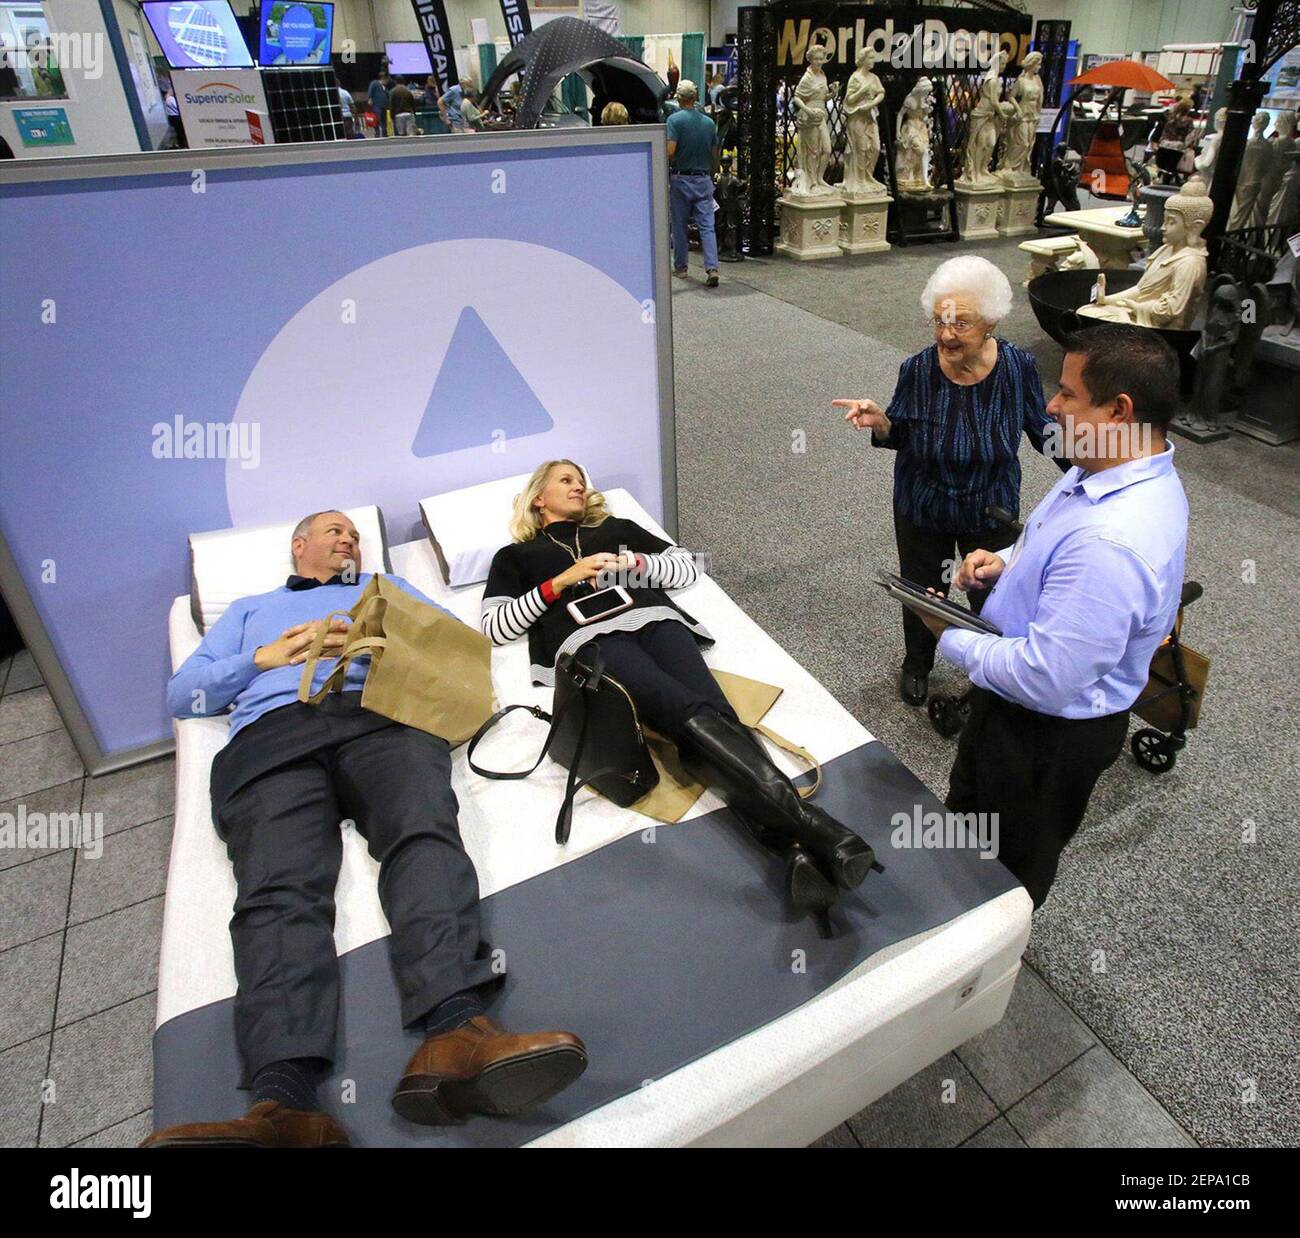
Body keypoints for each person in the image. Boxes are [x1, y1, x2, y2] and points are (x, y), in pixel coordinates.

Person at [143, 511, 587, 1146]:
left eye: (354, 533)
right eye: (332, 531)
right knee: (279, 889)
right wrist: (261, 659)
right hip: (275, 734)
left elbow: (459, 645)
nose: (347, 539)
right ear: (298, 547)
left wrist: (392, 641)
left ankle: (457, 1032)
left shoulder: (387, 587)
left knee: (423, 837)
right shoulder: (248, 610)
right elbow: (184, 696)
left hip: (384, 717)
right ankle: (285, 1106)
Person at [481, 462, 878, 921]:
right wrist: (559, 584)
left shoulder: (615, 529)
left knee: (713, 712)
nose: (579, 486)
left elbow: (689, 568)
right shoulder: (514, 557)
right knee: (685, 710)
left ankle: (795, 850)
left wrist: (631, 564)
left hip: (657, 621)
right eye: (566, 480)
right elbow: (497, 626)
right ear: (538, 498)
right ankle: (823, 832)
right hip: (591, 640)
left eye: (581, 481)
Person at [920, 325, 1189, 909]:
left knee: (1004, 868)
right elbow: (1050, 541)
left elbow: (1046, 676)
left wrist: (952, 637)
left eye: (1068, 393)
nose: (1050, 404)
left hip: (1044, 736)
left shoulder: (1111, 541)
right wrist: (1008, 563)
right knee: (964, 827)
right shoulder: (1103, 471)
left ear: (1118, 411)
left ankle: (978, 962)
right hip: (1016, 703)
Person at [835, 256, 1061, 707]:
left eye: (960, 323)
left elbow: (1044, 432)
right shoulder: (917, 369)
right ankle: (918, 663)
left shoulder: (1018, 368)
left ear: (991, 322)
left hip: (990, 504)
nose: (945, 334)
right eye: (938, 321)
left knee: (993, 595)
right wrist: (882, 423)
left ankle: (990, 671)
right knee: (923, 591)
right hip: (924, 501)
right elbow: (901, 431)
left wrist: (1092, 474)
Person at [666, 80, 720, 288]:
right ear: (696, 97)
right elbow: (714, 154)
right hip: (703, 179)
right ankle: (712, 267)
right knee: (707, 226)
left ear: (679, 98)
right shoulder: (708, 123)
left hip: (680, 179)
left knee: (679, 226)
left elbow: (670, 151)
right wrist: (710, 173)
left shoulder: (674, 121)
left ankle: (681, 267)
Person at [367, 68, 392, 137]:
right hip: (377, 106)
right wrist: (369, 98)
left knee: (384, 122)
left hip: (384, 107)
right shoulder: (375, 83)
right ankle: (378, 135)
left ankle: (384, 134)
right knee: (378, 121)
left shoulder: (385, 88)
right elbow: (370, 91)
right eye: (387, 79)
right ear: (383, 78)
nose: (388, 81)